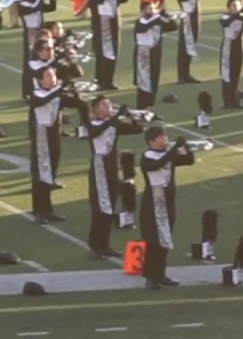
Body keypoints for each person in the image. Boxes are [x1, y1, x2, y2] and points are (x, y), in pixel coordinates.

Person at [84, 96, 144, 259]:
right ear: (96, 109)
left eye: (109, 104)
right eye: (104, 104)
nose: (108, 107)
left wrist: (129, 115)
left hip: (111, 170)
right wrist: (115, 118)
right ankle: (95, 246)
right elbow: (95, 133)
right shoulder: (92, 124)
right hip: (99, 170)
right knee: (101, 209)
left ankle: (104, 244)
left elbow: (138, 129)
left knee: (110, 206)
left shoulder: (113, 123)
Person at [139, 124, 195, 290]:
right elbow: (155, 165)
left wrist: (186, 147)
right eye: (161, 137)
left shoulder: (168, 155)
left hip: (168, 203)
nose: (165, 140)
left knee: (165, 239)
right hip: (153, 204)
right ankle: (151, 277)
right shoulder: (147, 156)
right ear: (152, 141)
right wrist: (173, 150)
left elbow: (189, 160)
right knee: (154, 241)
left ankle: (161, 274)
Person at [28, 65, 80, 223]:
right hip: (41, 138)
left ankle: (48, 209)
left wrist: (74, 89)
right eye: (49, 75)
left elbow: (74, 103)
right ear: (40, 80)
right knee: (41, 175)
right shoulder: (36, 93)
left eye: (54, 75)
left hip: (54, 138)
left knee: (50, 174)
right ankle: (40, 211)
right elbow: (42, 100)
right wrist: (60, 89)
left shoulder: (56, 93)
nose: (53, 78)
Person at [83, 0, 128, 90]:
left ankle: (109, 81)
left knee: (113, 56)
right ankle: (100, 81)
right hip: (100, 30)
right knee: (101, 56)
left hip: (113, 29)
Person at [133, 1, 179, 110]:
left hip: (155, 55)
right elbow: (142, 28)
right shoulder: (140, 22)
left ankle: (150, 107)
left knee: (154, 81)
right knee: (144, 82)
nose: (152, 11)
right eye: (149, 8)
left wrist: (169, 18)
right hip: (143, 55)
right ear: (143, 11)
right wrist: (157, 18)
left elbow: (173, 27)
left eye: (154, 8)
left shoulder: (158, 22)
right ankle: (141, 108)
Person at [173, 0, 215, 84]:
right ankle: (181, 76)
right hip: (186, 20)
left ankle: (187, 74)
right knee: (183, 48)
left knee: (191, 46)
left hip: (195, 19)